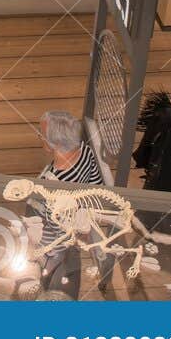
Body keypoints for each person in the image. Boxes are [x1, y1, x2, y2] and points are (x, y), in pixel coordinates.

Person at [33, 110, 105, 298]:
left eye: (42, 134)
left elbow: (54, 227)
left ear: (54, 144)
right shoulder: (85, 151)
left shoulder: (50, 182)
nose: (40, 137)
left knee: (52, 290)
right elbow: (96, 187)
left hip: (53, 250)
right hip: (76, 240)